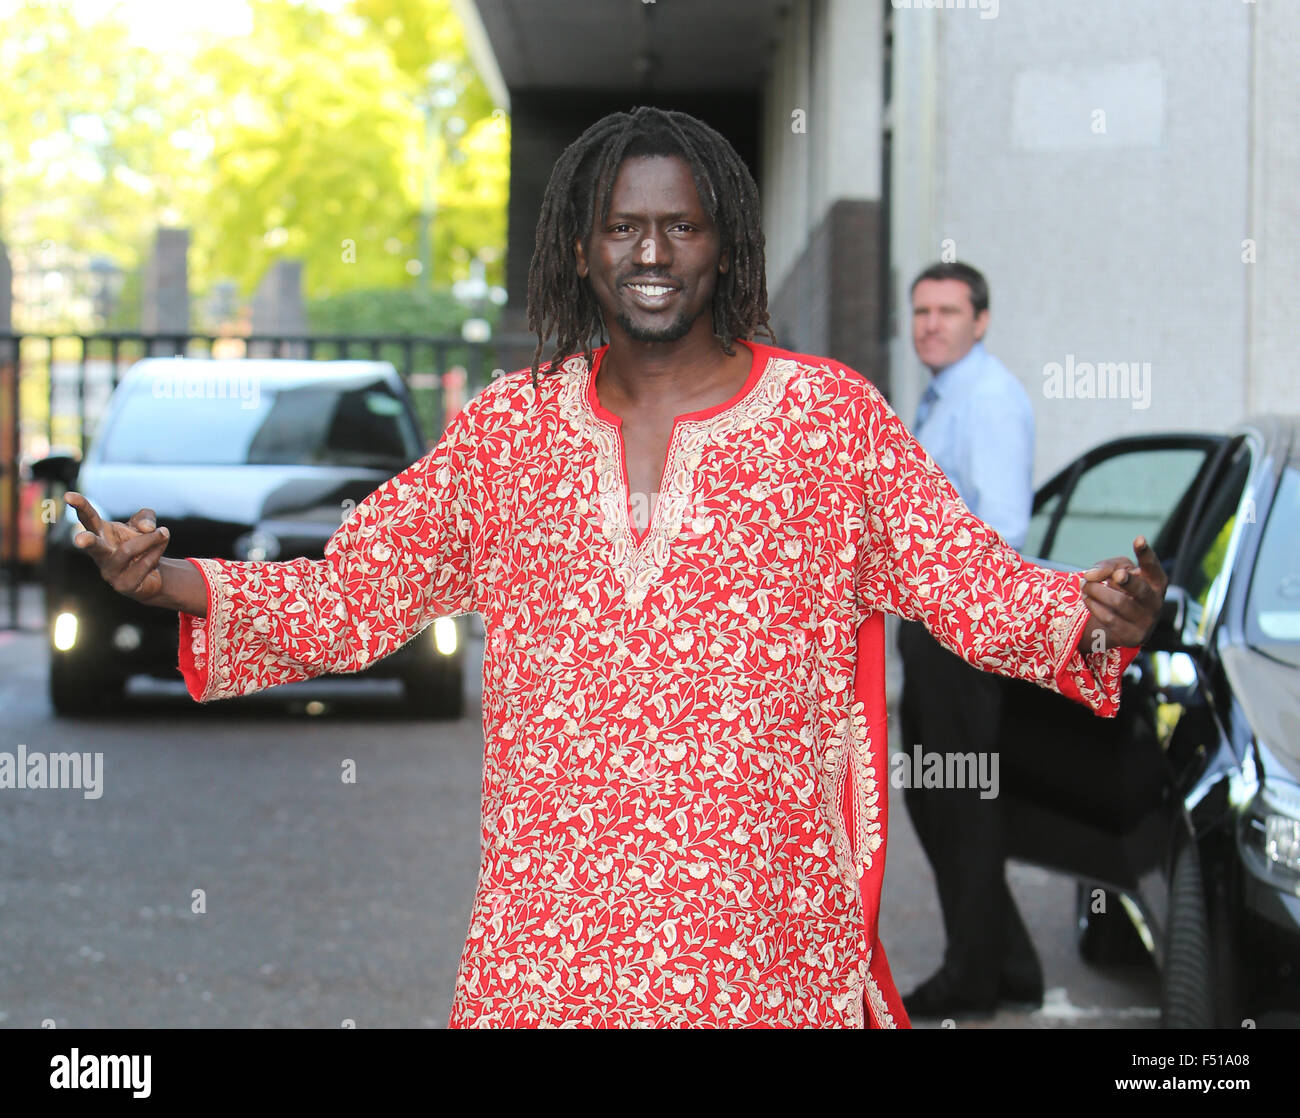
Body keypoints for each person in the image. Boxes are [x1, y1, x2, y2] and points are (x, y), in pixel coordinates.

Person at [66, 107, 1166, 1029]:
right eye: (623, 228)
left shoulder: (827, 422)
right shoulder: (512, 433)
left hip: (757, 941)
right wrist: (172, 579)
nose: (650, 253)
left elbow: (962, 574)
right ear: (581, 248)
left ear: (723, 243)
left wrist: (1093, 609)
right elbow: (359, 585)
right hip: (545, 942)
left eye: (679, 226)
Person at [898, 262, 1043, 1020]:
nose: (932, 324)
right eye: (922, 311)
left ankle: (972, 977)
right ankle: (1010, 961)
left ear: (980, 321)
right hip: (933, 629)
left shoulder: (986, 399)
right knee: (936, 795)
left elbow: (1004, 532)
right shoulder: (942, 397)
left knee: (960, 798)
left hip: (963, 632)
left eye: (948, 311)